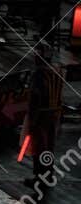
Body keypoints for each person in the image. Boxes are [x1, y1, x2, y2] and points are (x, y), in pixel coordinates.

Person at [24, 44, 63, 181]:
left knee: (39, 146)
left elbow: (36, 97)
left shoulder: (39, 75)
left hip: (40, 116)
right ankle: (48, 173)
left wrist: (32, 120)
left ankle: (39, 176)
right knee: (49, 146)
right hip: (54, 114)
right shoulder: (56, 72)